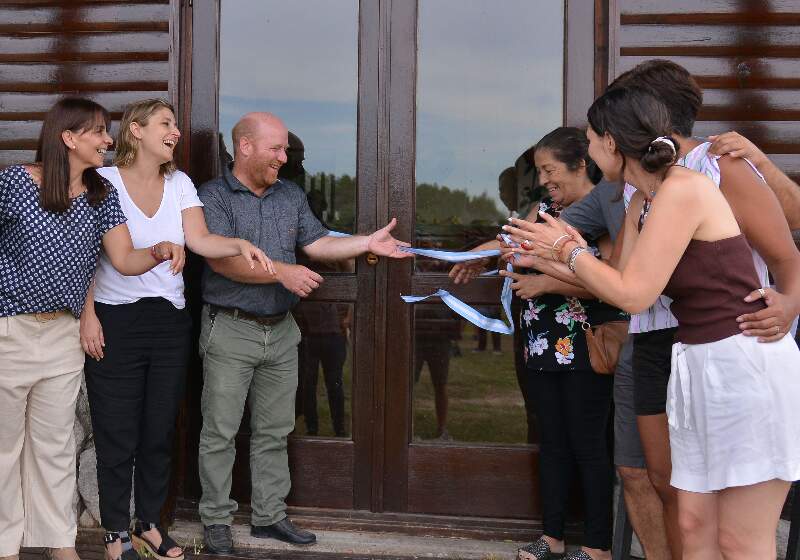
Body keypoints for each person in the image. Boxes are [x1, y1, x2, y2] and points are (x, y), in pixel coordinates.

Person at [505, 85, 800, 559]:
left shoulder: (683, 189)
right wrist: (549, 257)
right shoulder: (641, 201)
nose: (589, 152)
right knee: (692, 523)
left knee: (738, 540)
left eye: (591, 140)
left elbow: (634, 294)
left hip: (741, 363)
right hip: (695, 364)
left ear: (612, 143)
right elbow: (617, 280)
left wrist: (568, 251)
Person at [604, 59, 800, 560]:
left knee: (734, 524)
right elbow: (626, 275)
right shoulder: (638, 185)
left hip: (729, 340)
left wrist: (790, 302)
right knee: (672, 490)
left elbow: (786, 250)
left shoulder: (719, 166)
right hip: (666, 341)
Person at [197, 112, 410, 553]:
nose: (284, 156)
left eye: (285, 149)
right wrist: (283, 273)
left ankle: (269, 516)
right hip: (231, 329)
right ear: (245, 147)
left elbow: (317, 244)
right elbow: (222, 261)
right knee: (220, 431)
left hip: (281, 330)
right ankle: (216, 520)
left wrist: (366, 243)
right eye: (275, 148)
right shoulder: (213, 196)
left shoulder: (290, 195)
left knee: (275, 430)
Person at [79, 99, 273, 560]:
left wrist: (239, 244)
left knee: (158, 429)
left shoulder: (180, 183)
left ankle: (148, 523)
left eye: (176, 124)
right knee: (116, 433)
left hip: (169, 322)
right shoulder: (103, 182)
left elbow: (200, 239)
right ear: (136, 130)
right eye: (166, 123)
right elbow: (85, 255)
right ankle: (114, 534)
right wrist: (87, 315)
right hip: (115, 319)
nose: (176, 132)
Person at [0, 98, 183, 560]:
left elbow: (123, 259)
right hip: (10, 332)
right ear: (68, 138)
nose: (108, 140)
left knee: (55, 448)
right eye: (98, 132)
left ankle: (60, 545)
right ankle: (5, 546)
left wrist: (158, 250)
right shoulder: (15, 183)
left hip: (62, 337)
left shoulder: (100, 193)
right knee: (3, 449)